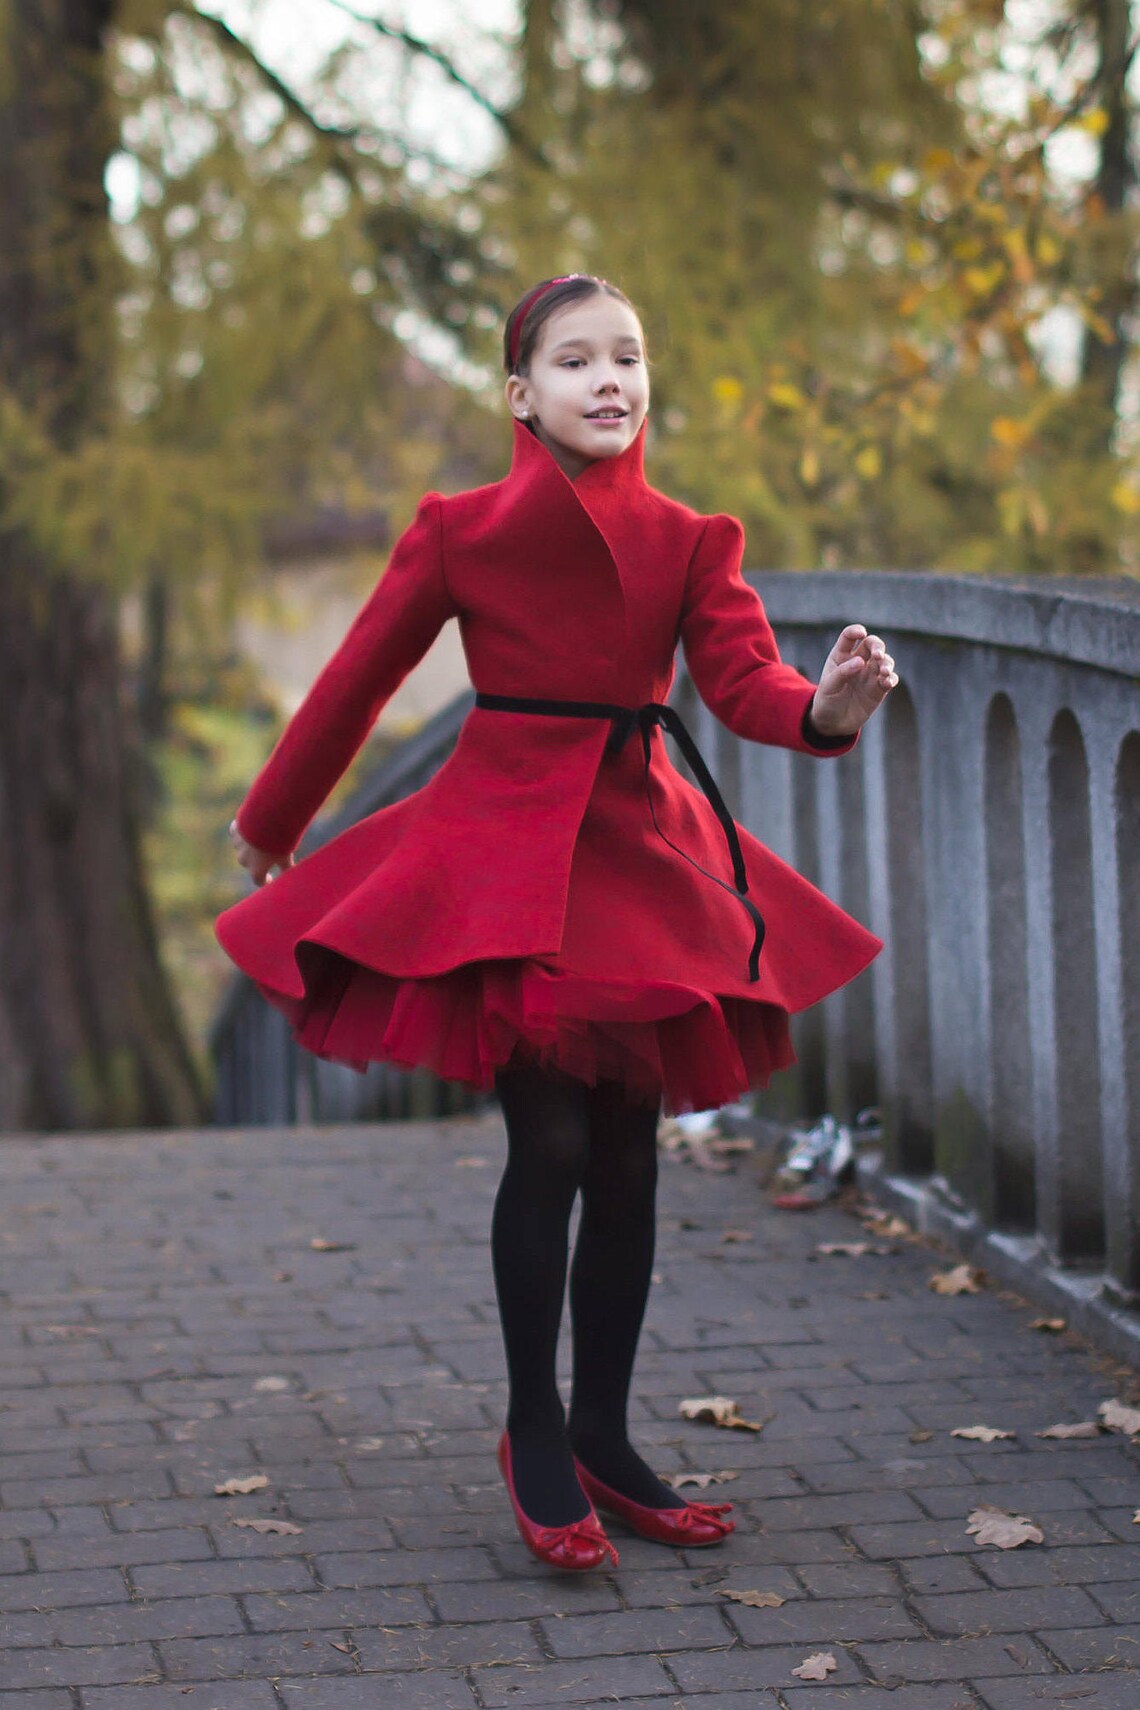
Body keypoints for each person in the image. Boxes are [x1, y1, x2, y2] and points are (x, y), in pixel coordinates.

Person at [218, 274, 897, 1573]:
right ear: (520, 394)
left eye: (628, 357)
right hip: (508, 853)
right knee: (552, 1139)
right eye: (575, 359)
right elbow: (364, 671)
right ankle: (533, 1422)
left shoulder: (693, 538)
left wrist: (823, 710)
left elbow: (743, 676)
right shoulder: (463, 529)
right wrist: (274, 815)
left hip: (640, 853)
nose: (609, 379)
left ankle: (602, 1427)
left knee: (631, 1151)